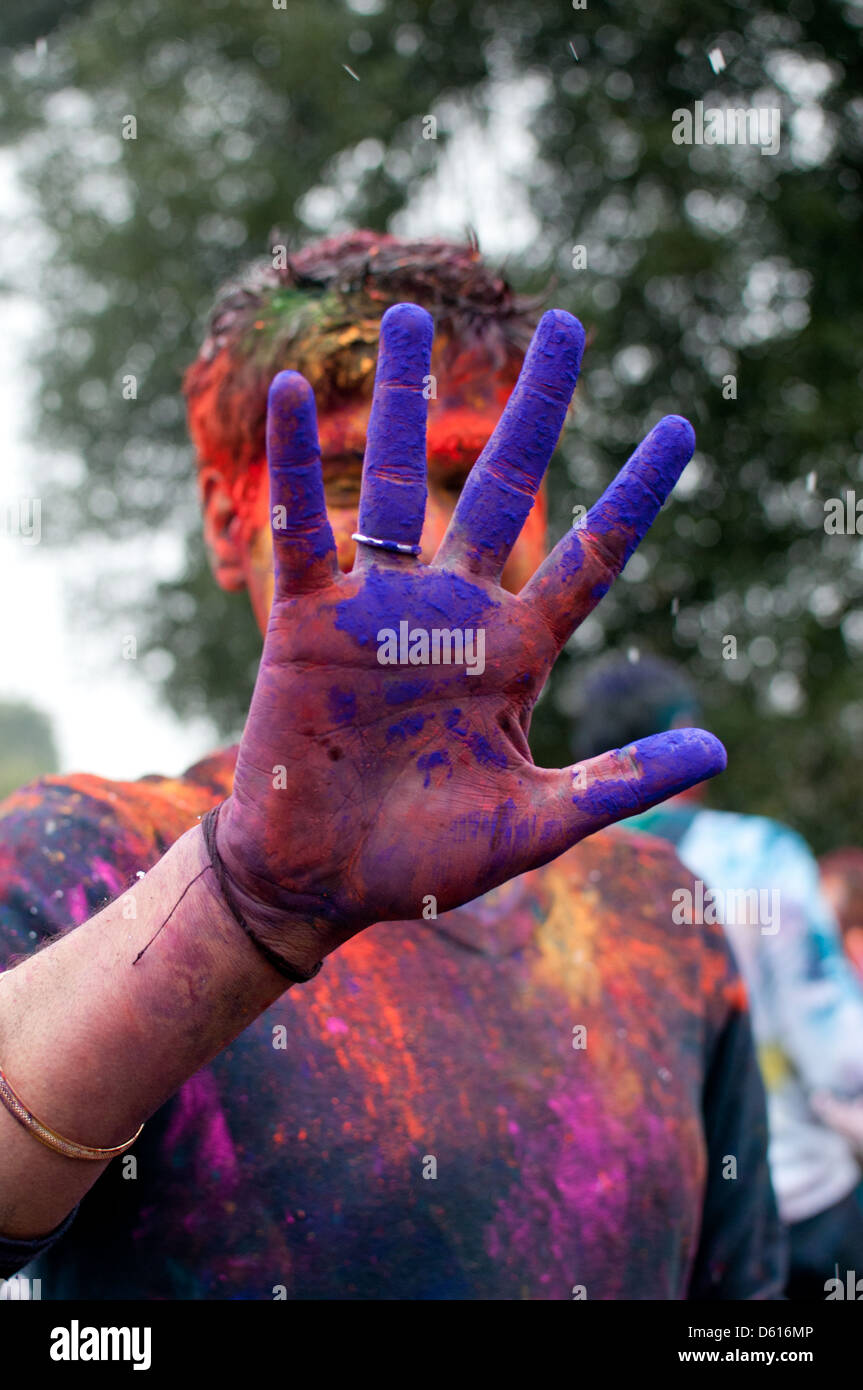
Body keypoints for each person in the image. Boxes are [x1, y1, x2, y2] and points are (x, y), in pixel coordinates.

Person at [0, 232, 783, 1300]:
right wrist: (241, 910)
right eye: (339, 476)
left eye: (466, 473)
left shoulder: (662, 920)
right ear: (231, 524)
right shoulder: (86, 855)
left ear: (539, 508)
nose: (409, 529)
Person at [572, 650, 863, 1299]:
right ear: (685, 735)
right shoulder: (760, 858)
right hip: (789, 1205)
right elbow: (841, 1059)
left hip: (622, 1228)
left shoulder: (552, 873)